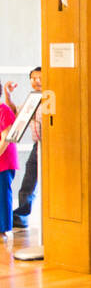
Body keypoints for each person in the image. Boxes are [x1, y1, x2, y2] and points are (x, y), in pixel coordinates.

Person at [11, 67, 40, 229]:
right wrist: (9, 95)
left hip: (56, 145)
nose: (37, 81)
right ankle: (21, 215)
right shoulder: (32, 100)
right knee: (29, 179)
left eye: (40, 77)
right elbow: (16, 114)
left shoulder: (52, 97)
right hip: (38, 145)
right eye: (33, 78)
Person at [0, 80, 19, 243]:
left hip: (4, 157)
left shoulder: (4, 110)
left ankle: (3, 229)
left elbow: (6, 138)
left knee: (2, 192)